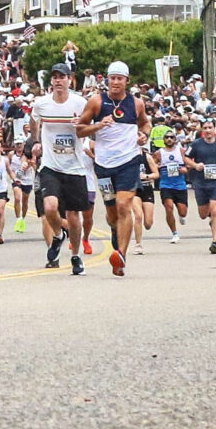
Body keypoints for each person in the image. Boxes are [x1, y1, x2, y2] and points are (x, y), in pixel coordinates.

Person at [85, 61, 146, 276]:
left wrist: (144, 135)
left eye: (120, 78)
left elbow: (145, 124)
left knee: (123, 205)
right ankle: (115, 229)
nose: (116, 82)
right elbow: (80, 130)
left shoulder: (136, 103)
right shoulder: (96, 102)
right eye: (113, 78)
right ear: (107, 80)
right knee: (112, 213)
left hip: (129, 161)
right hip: (104, 164)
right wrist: (99, 125)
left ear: (127, 81)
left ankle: (121, 255)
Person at [30, 63, 91, 275]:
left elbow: (90, 129)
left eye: (62, 77)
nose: (58, 81)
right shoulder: (42, 104)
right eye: (54, 77)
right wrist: (37, 140)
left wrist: (80, 125)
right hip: (51, 165)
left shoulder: (80, 103)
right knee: (49, 208)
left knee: (74, 218)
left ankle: (76, 256)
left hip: (74, 167)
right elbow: (33, 120)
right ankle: (57, 236)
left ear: (69, 79)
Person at [186, 119, 216, 254]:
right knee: (203, 214)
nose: (208, 130)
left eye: (210, 127)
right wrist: (195, 165)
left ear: (215, 129)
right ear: (202, 130)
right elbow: (186, 158)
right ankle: (212, 221)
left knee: (215, 211)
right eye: (205, 128)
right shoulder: (196, 144)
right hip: (200, 182)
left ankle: (215, 242)